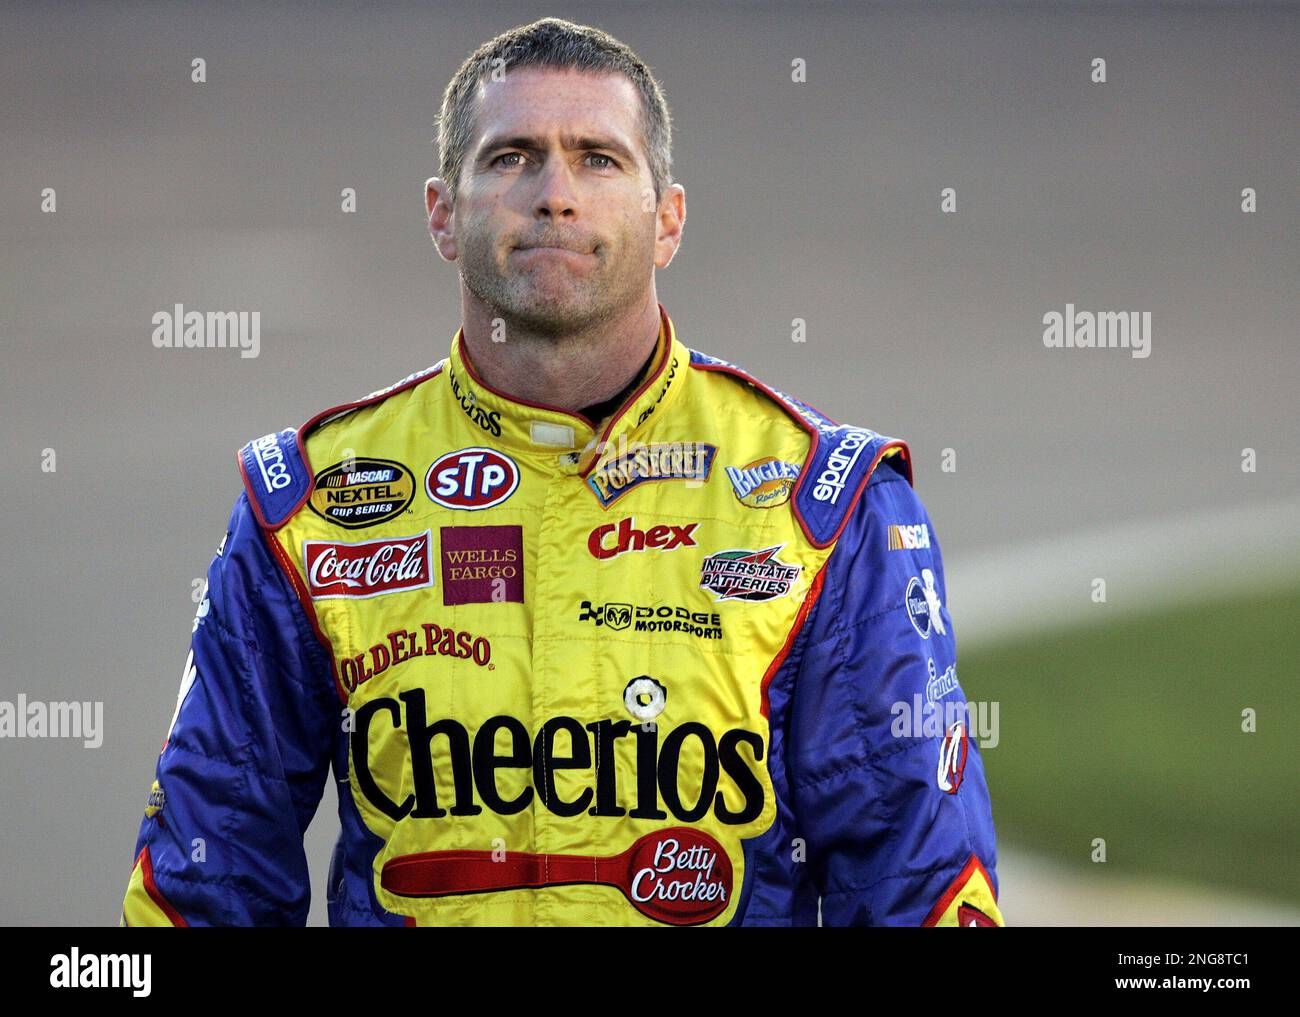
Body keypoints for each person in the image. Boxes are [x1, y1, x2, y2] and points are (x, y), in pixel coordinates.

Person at [122, 16, 1002, 927]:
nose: (555, 194)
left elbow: (919, 883)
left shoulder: (826, 505)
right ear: (441, 213)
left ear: (668, 220)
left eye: (599, 158)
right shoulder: (305, 509)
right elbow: (203, 879)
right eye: (510, 158)